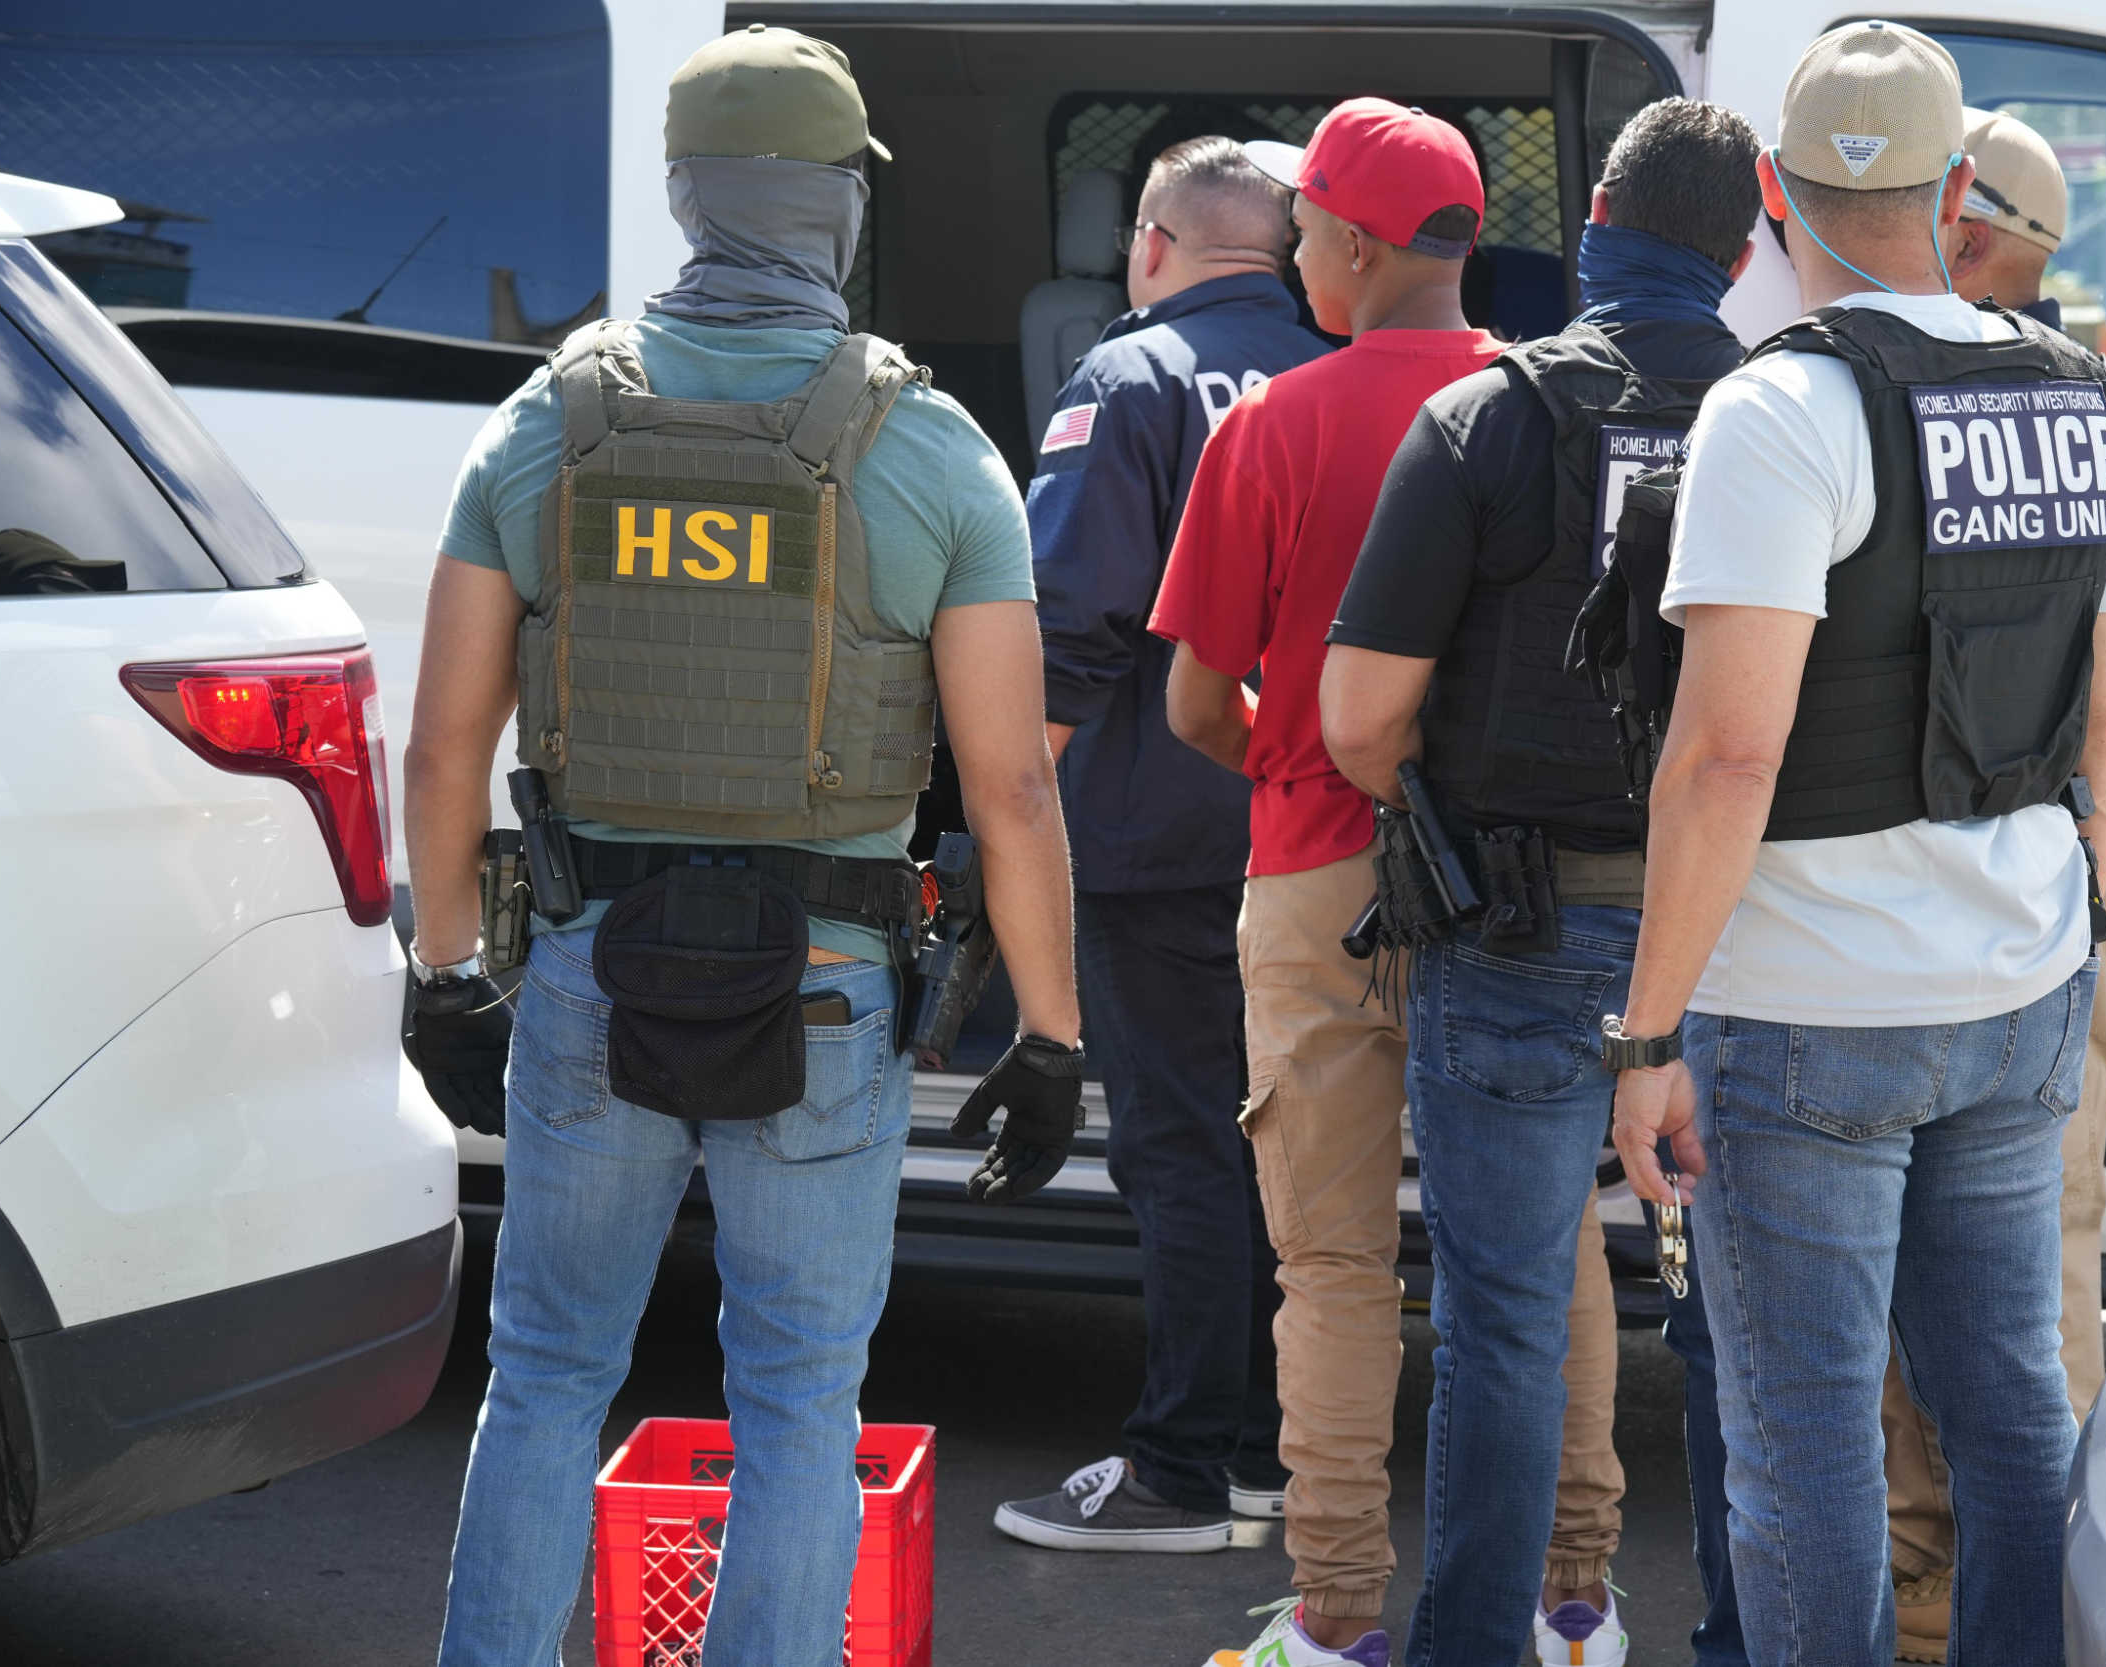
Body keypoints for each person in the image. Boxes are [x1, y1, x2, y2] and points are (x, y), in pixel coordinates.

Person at [400, 28, 1084, 1665]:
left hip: (590, 975)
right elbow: (1011, 788)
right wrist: (1052, 1038)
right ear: (840, 206)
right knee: (799, 1398)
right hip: (826, 988)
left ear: (686, 197)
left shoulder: (542, 425)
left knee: (545, 1373)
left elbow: (441, 745)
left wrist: (442, 967)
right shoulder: (932, 450)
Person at [1603, 21, 2106, 1667]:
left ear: (1774, 198)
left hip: (1808, 1011)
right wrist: (2067, 917)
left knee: (1806, 1437)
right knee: (2012, 1410)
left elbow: (1727, 755)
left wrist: (1646, 1037)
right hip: (2019, 988)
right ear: (1959, 187)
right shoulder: (2081, 398)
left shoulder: (1781, 409)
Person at [1148, 98, 1624, 1667]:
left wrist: (1300, 760)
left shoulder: (1271, 426)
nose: (1296, 256)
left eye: (1303, 231)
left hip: (1318, 875)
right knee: (1544, 1246)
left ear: (1352, 243)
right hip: (1520, 891)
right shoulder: (1543, 409)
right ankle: (1574, 1602)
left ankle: (1340, 1615)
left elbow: (1196, 705)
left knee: (1335, 1265)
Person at [1318, 96, 1764, 1667]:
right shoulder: (1796, 418)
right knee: (1745, 1328)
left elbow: (1357, 719)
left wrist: (1442, 813)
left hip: (1514, 929)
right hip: (1743, 944)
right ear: (1743, 252)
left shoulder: (1490, 420)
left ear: (1590, 233)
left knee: (1505, 1329)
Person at [991, 135, 1325, 1554]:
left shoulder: (1125, 382)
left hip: (1158, 831)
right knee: (1286, 1150)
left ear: (1151, 245)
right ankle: (1267, 1455)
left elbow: (1069, 627)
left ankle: (1181, 1469)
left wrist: (1005, 830)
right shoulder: (1340, 371)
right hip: (1316, 836)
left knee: (1182, 1148)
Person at [1880, 101, 2106, 1664]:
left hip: (1973, 861)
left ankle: (1938, 1585)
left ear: (1966, 228)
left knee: (1938, 1250)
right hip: (2072, 856)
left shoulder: (1901, 389)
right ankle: (2023, 1585)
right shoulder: (2084, 400)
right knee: (2042, 1239)